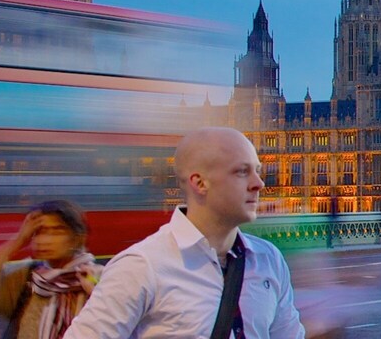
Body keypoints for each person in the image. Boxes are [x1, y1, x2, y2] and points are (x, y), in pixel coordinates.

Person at [66, 127, 304, 338]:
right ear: (199, 183)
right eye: (242, 172)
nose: (259, 183)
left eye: (258, 170)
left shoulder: (269, 259)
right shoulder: (141, 266)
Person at [0, 200, 103, 339]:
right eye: (39, 232)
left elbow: (117, 325)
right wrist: (18, 241)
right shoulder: (27, 277)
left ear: (77, 238)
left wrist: (93, 294)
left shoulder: (97, 277)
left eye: (57, 232)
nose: (45, 240)